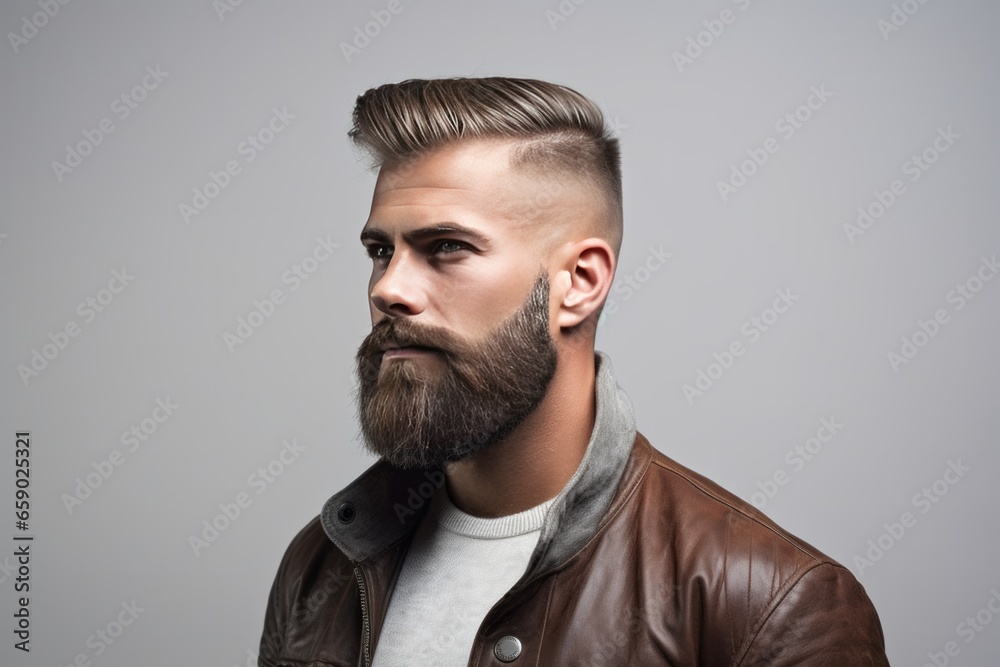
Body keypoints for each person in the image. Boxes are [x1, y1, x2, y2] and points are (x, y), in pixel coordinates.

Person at [258, 76, 888, 666]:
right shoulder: (322, 563)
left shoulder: (767, 606)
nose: (389, 288)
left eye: (446, 247)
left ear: (580, 283)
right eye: (380, 252)